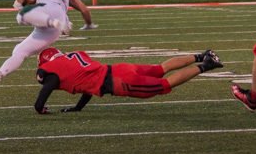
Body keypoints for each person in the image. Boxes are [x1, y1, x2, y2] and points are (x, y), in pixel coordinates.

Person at [33, 47, 223, 113]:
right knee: (161, 69)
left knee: (165, 84)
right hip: (118, 68)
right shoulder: (72, 58)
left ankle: (206, 65)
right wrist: (78, 107)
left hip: (118, 82)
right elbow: (87, 85)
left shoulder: (48, 69)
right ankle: (202, 55)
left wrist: (39, 108)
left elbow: (47, 87)